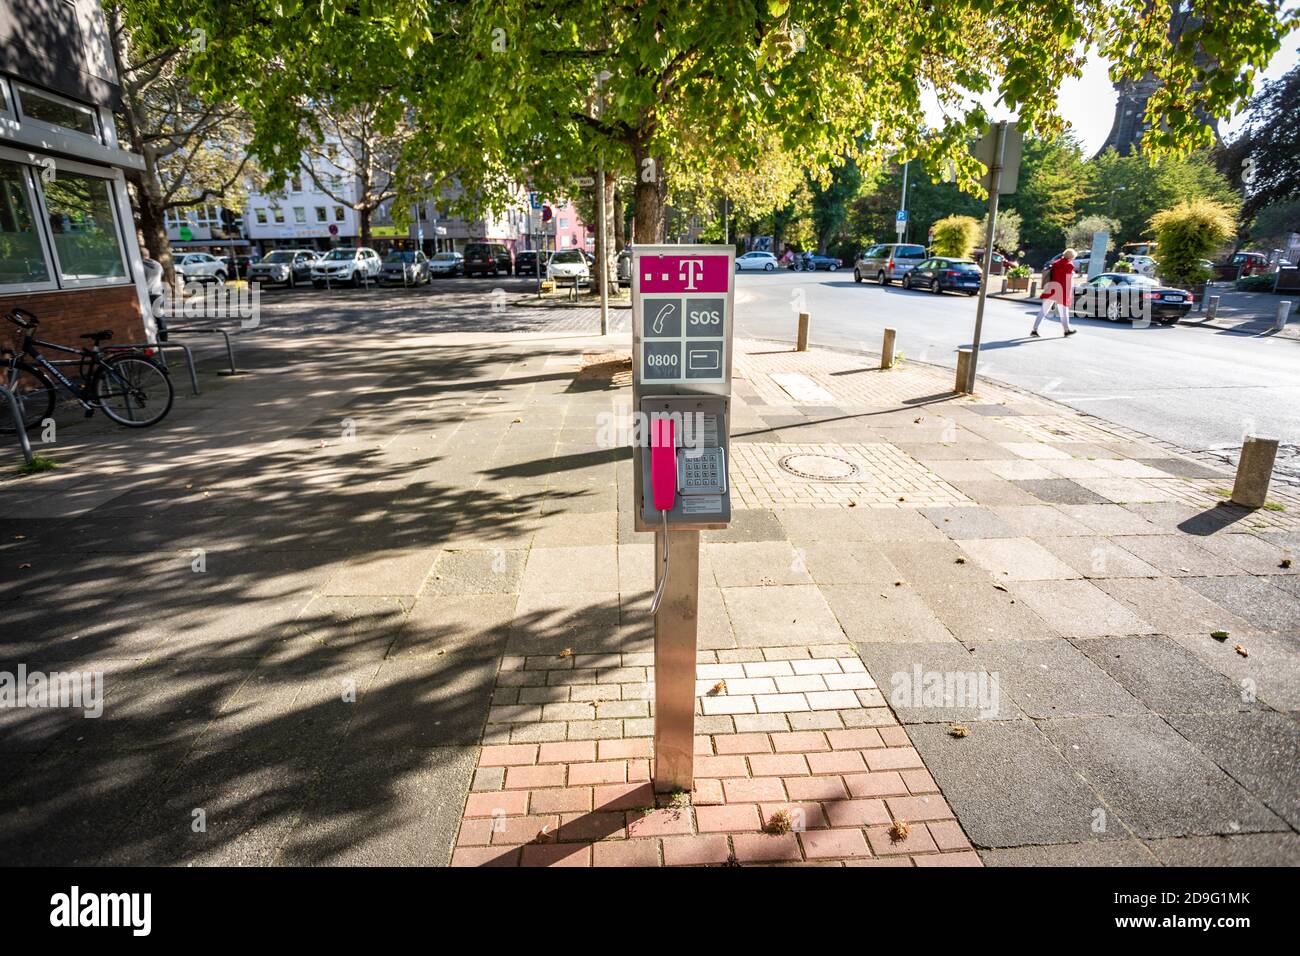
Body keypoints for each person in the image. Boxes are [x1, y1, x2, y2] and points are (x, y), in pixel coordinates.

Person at [1033, 248, 1078, 337]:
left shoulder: (1056, 263)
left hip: (1052, 289)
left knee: (1043, 310)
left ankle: (1034, 329)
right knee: (1064, 312)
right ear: (1071, 257)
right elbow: (1067, 282)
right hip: (1062, 291)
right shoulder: (1069, 266)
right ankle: (1066, 330)